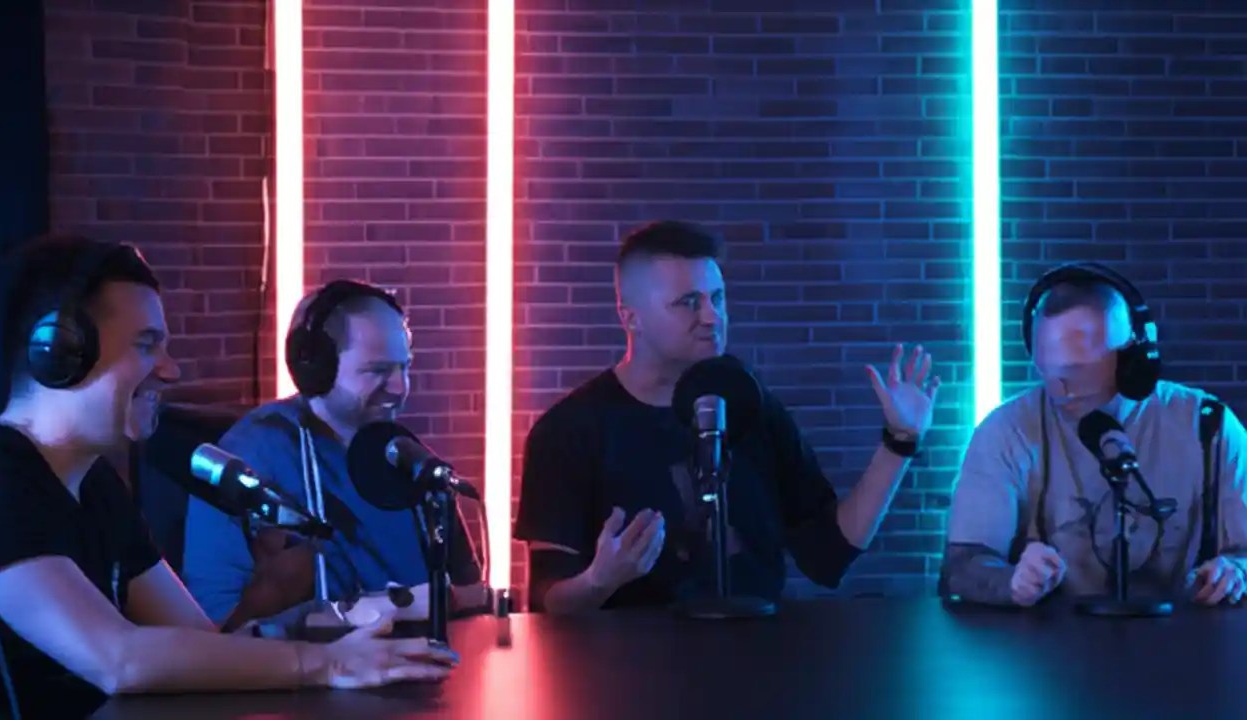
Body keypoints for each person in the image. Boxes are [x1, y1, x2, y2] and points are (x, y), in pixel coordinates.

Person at [0, 235, 455, 719]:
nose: (170, 370)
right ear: (60, 352)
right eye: (147, 345)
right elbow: (118, 659)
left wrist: (269, 602)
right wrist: (327, 663)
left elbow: (197, 641)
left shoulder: (95, 485)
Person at [513, 220, 942, 613]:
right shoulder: (569, 431)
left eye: (717, 298)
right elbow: (545, 602)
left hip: (759, 662)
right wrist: (598, 581)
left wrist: (898, 441)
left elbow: (829, 553)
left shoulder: (751, 405)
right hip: (626, 667)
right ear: (631, 318)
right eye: (688, 303)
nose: (711, 317)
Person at [183, 279, 487, 634]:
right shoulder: (251, 453)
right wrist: (275, 594)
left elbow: (472, 594)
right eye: (378, 371)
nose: (400, 387)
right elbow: (213, 629)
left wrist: (399, 607)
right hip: (302, 668)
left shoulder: (406, 456)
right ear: (316, 367)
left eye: (404, 367)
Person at [941, 262, 1247, 608]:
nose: (1061, 390)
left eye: (1077, 372)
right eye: (1047, 371)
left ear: (1133, 358)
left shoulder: (1209, 427)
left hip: (1184, 637)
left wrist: (1237, 571)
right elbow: (962, 567)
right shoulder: (1006, 430)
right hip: (1049, 639)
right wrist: (1009, 583)